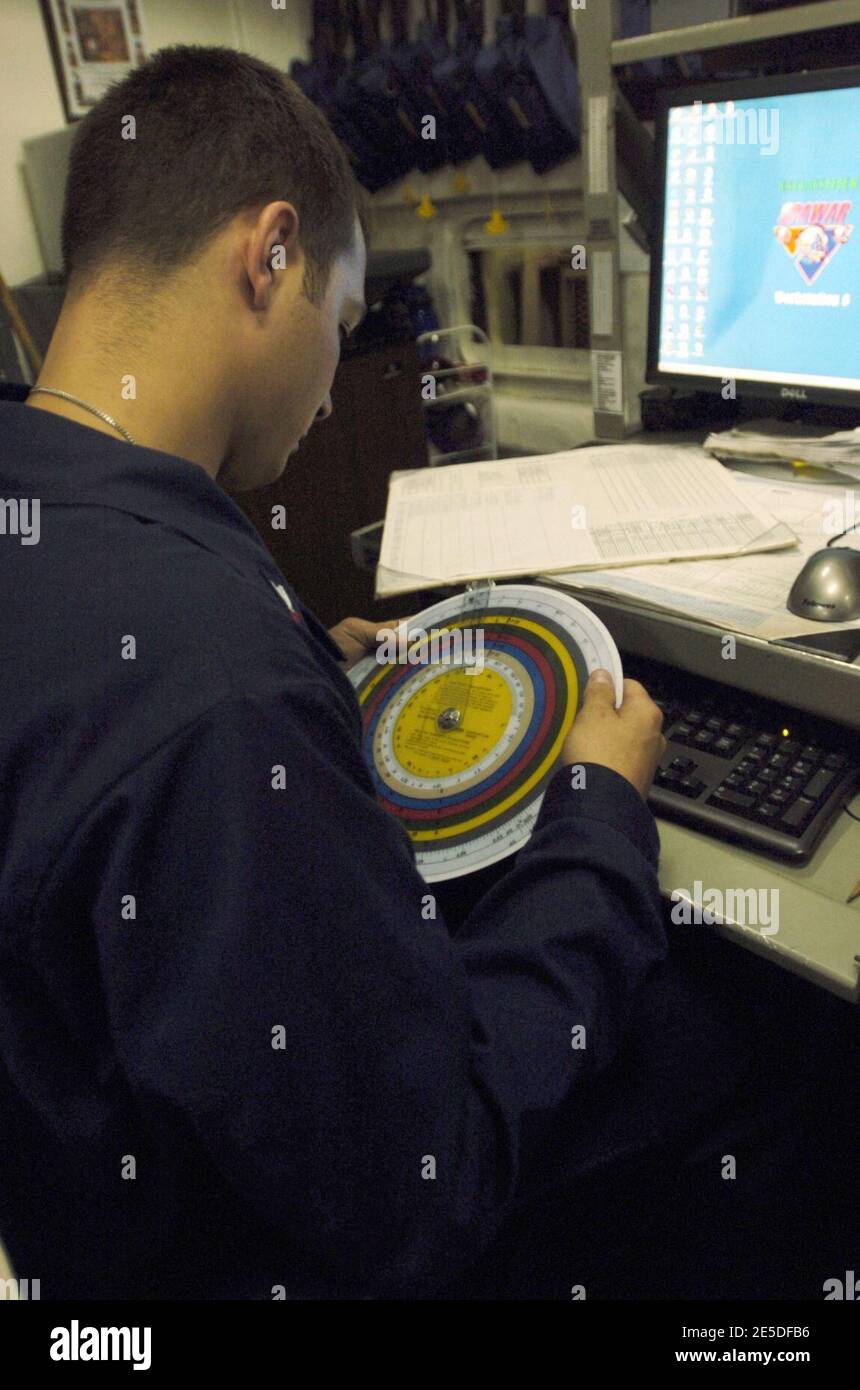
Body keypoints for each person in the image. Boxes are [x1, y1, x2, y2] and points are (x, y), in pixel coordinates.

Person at [0, 47, 852, 1302]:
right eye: (341, 330)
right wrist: (600, 815)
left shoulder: (50, 501)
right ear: (269, 255)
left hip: (109, 1225)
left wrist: (301, 670)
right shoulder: (213, 689)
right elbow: (425, 1178)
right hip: (307, 1248)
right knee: (777, 1033)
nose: (336, 392)